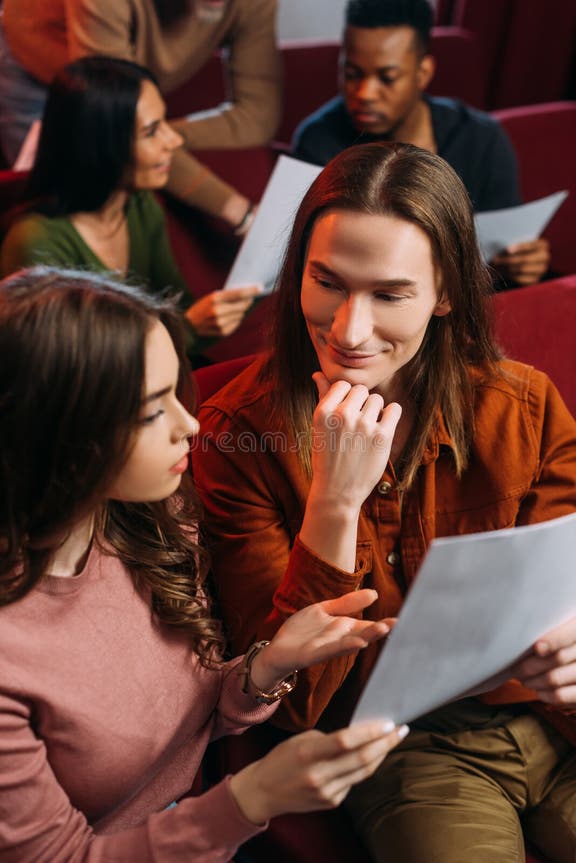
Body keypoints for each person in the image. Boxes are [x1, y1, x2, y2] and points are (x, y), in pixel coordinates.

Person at [193, 141, 576, 862]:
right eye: (327, 282)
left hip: (550, 717)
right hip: (399, 744)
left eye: (389, 294)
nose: (348, 329)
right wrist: (334, 505)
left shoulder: (521, 406)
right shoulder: (237, 435)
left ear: (447, 294)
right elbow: (288, 700)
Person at [0, 264, 407, 862]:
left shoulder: (143, 520)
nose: (190, 425)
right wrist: (252, 797)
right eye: (150, 411)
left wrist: (265, 667)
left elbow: (185, 713)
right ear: (59, 437)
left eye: (177, 393)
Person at [0, 56, 261, 366]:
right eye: (151, 132)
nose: (173, 140)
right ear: (99, 144)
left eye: (166, 123)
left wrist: (212, 316)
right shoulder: (36, 242)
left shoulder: (139, 206)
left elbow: (175, 309)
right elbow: (70, 371)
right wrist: (190, 328)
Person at [292, 0, 551, 288]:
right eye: (352, 74)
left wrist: (522, 262)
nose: (365, 93)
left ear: (423, 73)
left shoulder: (481, 138)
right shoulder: (319, 141)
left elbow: (506, 253)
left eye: (387, 78)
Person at [0, 0, 280, 231]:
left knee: (135, 204)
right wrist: (241, 214)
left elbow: (258, 116)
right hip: (37, 71)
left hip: (131, 85)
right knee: (62, 218)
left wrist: (155, 134)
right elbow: (114, 122)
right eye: (150, 133)